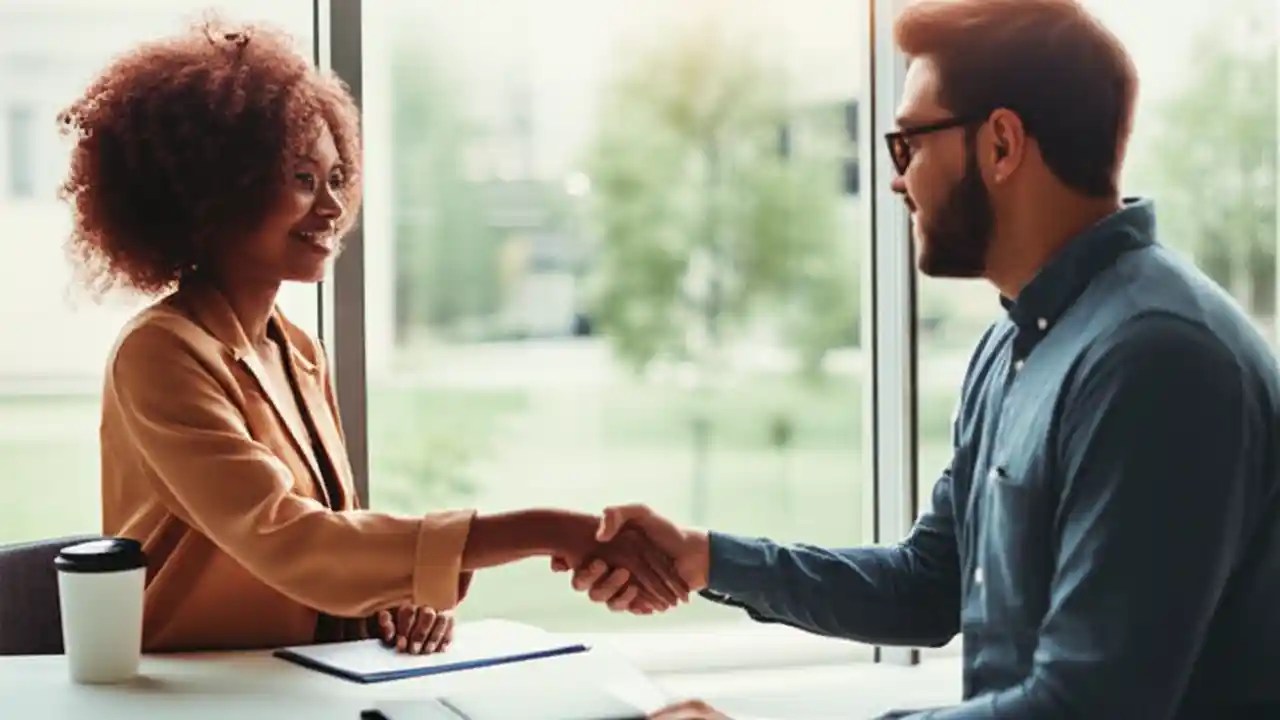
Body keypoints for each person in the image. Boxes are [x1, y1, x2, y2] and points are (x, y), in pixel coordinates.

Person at [563, 0, 1280, 717]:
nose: (897, 181)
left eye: (909, 144)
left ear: (1001, 144)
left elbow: (1085, 707)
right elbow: (927, 585)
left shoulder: (1158, 361)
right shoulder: (1017, 343)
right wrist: (706, 558)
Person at [61, 19, 687, 655]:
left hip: (304, 680)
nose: (333, 207)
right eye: (303, 179)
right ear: (217, 190)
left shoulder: (298, 352)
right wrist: (551, 530)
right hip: (198, 692)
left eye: (337, 178)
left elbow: (339, 548)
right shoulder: (162, 355)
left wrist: (397, 599)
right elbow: (296, 544)